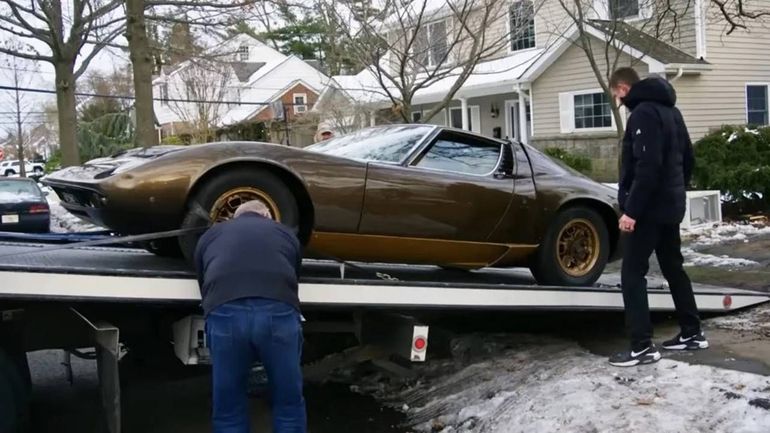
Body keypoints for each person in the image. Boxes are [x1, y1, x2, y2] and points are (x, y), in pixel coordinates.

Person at [607, 67, 708, 367]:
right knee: (673, 268)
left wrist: (632, 211)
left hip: (649, 210)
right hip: (670, 206)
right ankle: (692, 332)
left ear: (624, 88)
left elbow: (646, 167)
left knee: (632, 274)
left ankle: (641, 346)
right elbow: (688, 159)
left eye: (616, 94)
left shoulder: (642, 115)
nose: (617, 100)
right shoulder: (672, 112)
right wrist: (675, 191)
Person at [194, 200, 306, 432]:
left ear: (235, 217)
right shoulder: (284, 232)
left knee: (228, 404)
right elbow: (294, 272)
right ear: (266, 215)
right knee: (288, 400)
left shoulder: (212, 234)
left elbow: (202, 277)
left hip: (225, 313)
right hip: (277, 313)